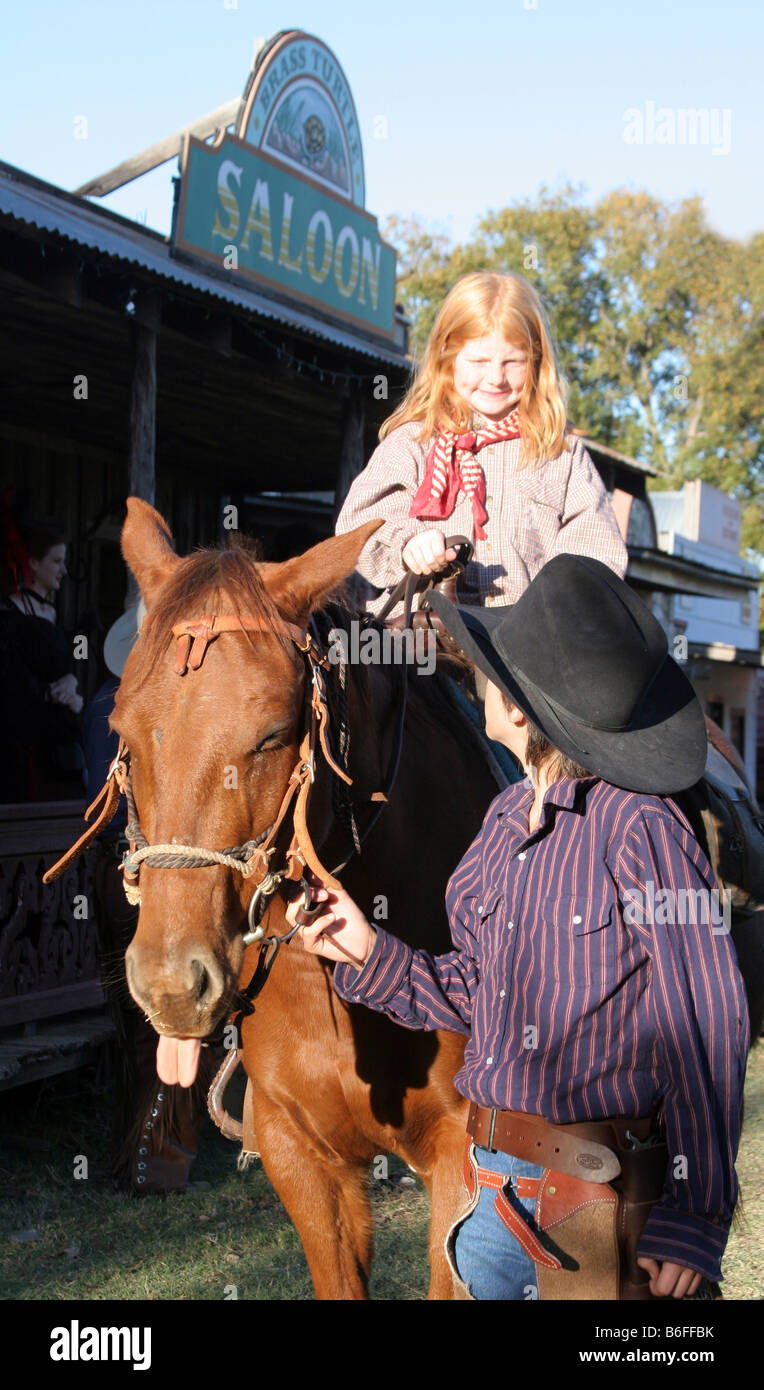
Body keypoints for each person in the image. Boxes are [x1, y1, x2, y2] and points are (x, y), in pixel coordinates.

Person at [285, 555, 749, 1301]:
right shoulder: (503, 822)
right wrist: (366, 949)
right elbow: (480, 989)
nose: (476, 675)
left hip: (602, 1209)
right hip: (491, 1196)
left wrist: (693, 1216)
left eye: (492, 666)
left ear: (523, 708)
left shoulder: (644, 827)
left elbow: (708, 1022)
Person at [335, 271, 627, 618]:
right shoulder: (413, 442)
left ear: (535, 361)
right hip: (421, 637)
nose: (495, 378)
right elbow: (360, 520)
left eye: (513, 362)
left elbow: (596, 551)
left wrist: (555, 605)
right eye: (478, 361)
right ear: (447, 358)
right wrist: (409, 542)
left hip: (525, 644)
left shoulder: (559, 454)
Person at [0, 515, 85, 800]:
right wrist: (52, 694)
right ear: (33, 564)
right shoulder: (10, 616)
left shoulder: (51, 613)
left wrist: (71, 680)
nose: (63, 569)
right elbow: (10, 680)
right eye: (56, 561)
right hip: (25, 743)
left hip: (58, 740)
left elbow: (64, 663)